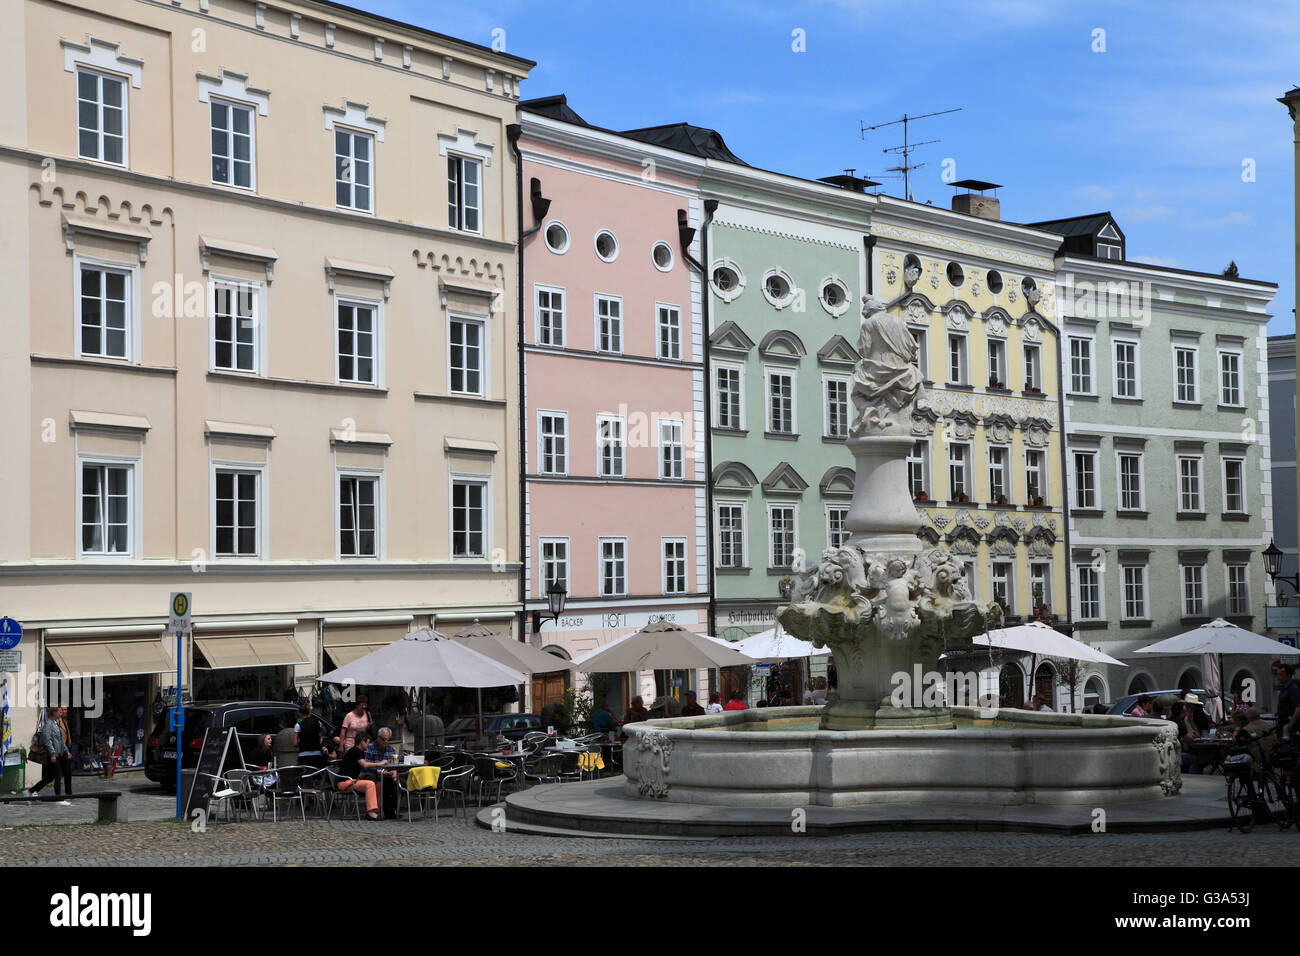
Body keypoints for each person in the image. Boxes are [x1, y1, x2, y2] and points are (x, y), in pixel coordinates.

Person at [28, 706, 72, 803]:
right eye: (60, 711)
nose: (61, 713)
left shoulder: (56, 724)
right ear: (54, 713)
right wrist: (52, 754)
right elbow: (48, 741)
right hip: (52, 754)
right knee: (57, 775)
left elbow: (60, 740)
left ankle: (30, 791)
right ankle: (58, 799)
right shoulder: (48, 724)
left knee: (50, 777)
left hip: (59, 753)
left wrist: (66, 751)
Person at [336, 731, 382, 821]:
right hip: (345, 783)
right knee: (370, 784)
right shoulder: (355, 751)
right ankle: (371, 813)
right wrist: (379, 763)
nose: (369, 745)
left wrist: (379, 771)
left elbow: (364, 768)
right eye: (368, 742)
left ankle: (377, 810)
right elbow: (364, 765)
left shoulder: (358, 751)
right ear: (362, 741)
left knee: (379, 783)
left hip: (352, 781)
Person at [365, 727, 400, 819]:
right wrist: (383, 772)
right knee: (386, 783)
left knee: (396, 783)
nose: (386, 742)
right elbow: (367, 767)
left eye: (389, 739)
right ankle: (387, 811)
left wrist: (394, 772)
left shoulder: (391, 749)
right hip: (374, 774)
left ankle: (392, 810)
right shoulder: (371, 748)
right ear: (378, 738)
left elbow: (395, 765)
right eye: (384, 739)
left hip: (386, 775)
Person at [295, 701, 332, 770]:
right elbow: (324, 731)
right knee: (317, 774)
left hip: (303, 755)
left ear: (300, 714)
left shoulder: (298, 725)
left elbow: (295, 743)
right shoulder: (317, 722)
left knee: (305, 776)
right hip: (316, 754)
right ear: (309, 712)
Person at [1272, 662, 1300, 738]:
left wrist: (1290, 725)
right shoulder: (1283, 688)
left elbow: (1298, 708)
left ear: (1288, 675)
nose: (1278, 677)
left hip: (1288, 725)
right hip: (1281, 723)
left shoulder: (1293, 689)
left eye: (1281, 675)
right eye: (1277, 674)